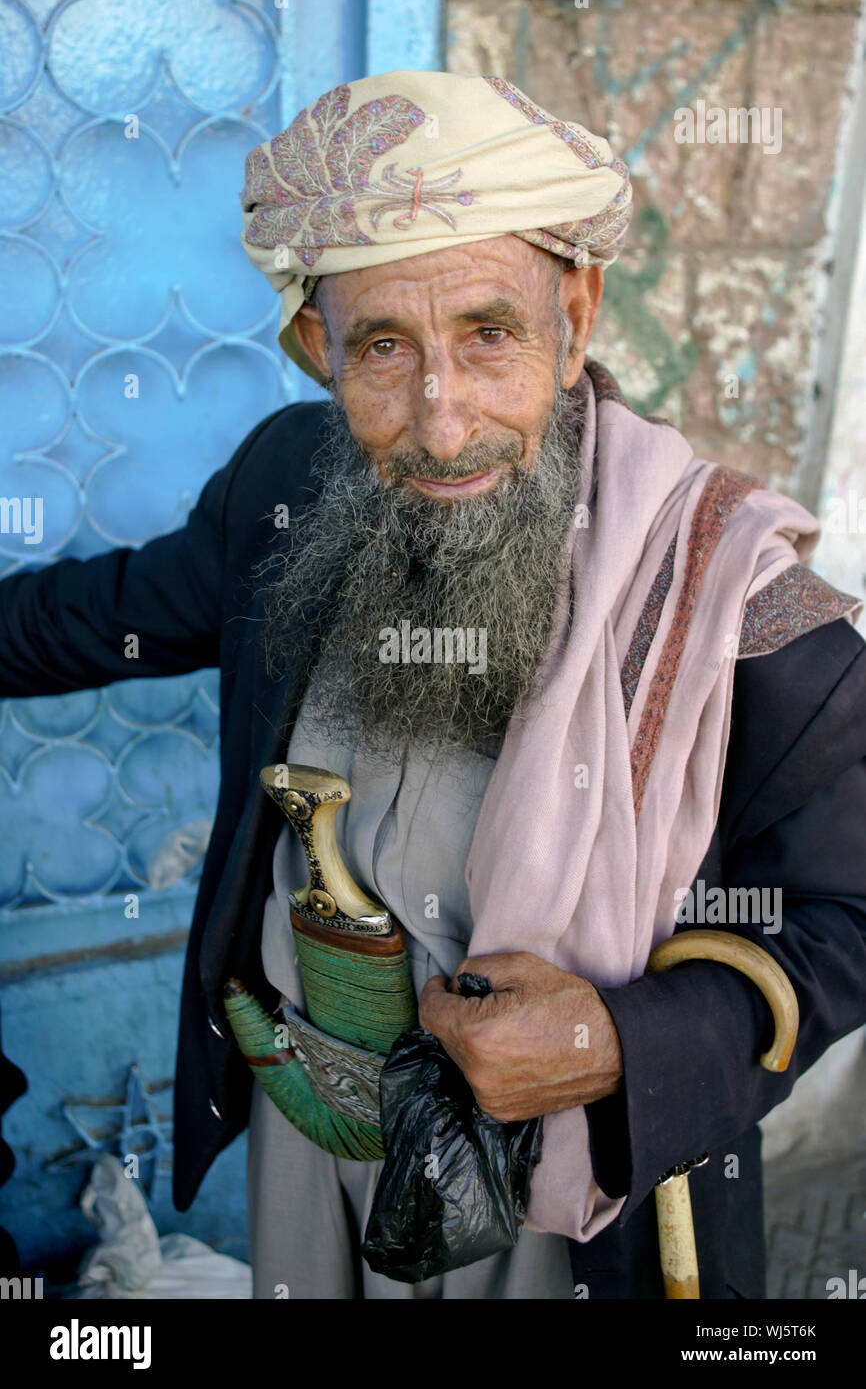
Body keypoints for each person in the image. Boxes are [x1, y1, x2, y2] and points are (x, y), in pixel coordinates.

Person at [2, 70, 865, 1300]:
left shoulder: (729, 603)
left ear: (574, 315)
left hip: (568, 1208)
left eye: (488, 334)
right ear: (318, 345)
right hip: (316, 1147)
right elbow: (99, 618)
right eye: (385, 349)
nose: (441, 423)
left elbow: (846, 916)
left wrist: (614, 1043)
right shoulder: (282, 489)